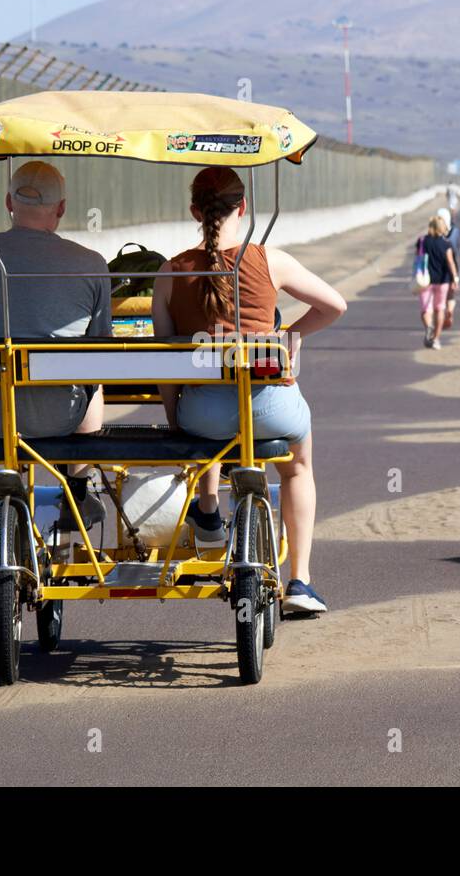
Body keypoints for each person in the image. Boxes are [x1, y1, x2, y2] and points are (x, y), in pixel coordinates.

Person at [151, 167, 346, 614]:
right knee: (297, 467)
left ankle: (209, 510)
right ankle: (300, 580)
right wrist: (291, 335)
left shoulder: (170, 272)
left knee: (207, 437)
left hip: (206, 414)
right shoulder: (269, 259)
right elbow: (334, 304)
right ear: (243, 207)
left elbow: (167, 360)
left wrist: (174, 417)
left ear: (195, 212)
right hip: (270, 405)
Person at [0, 160, 112, 632]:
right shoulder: (91, 264)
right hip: (61, 417)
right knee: (88, 380)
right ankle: (77, 483)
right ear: (62, 209)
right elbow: (99, 352)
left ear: (9, 202)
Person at [417, 215, 459, 349]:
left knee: (426, 309)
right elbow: (450, 262)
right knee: (439, 309)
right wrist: (455, 278)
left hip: (425, 280)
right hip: (443, 281)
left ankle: (429, 326)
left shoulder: (422, 241)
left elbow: (418, 258)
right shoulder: (446, 244)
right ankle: (436, 339)